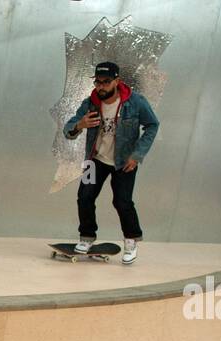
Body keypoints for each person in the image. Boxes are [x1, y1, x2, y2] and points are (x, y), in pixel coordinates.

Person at [62, 61, 159, 264]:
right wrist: (79, 125)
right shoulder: (90, 103)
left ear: (117, 81)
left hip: (124, 162)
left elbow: (152, 125)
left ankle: (131, 241)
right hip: (94, 159)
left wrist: (137, 154)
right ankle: (87, 237)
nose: (101, 87)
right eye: (97, 82)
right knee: (84, 197)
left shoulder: (136, 102)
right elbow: (69, 128)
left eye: (106, 82)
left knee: (122, 202)